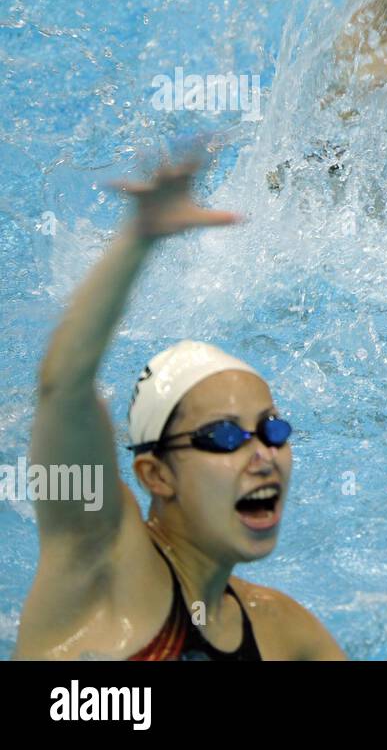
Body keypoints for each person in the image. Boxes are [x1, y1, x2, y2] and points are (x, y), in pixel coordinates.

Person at [15, 161, 345, 660]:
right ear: (156, 474)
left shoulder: (284, 635)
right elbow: (63, 390)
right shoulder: (98, 568)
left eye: (272, 430)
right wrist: (139, 241)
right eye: (225, 438)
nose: (263, 456)